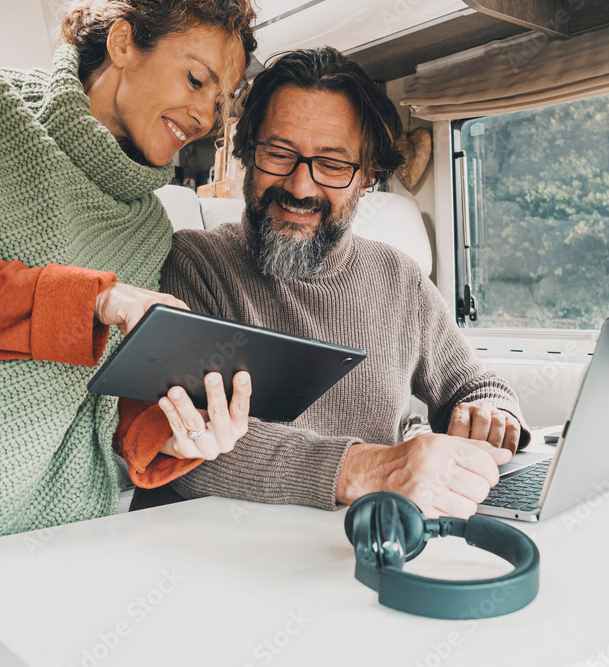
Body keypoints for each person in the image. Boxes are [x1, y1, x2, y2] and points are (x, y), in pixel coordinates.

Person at [0, 1, 257, 664]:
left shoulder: (148, 228)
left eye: (223, 99)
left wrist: (179, 433)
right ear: (124, 43)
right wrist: (94, 302)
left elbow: (99, 404)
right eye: (197, 79)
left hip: (15, 552)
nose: (207, 116)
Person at [134, 47, 531, 520]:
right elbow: (184, 442)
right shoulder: (194, 263)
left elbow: (472, 383)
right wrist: (371, 469)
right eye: (279, 154)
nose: (301, 187)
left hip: (358, 544)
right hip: (220, 550)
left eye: (333, 164)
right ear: (246, 156)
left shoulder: (401, 279)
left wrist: (491, 410)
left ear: (365, 179)